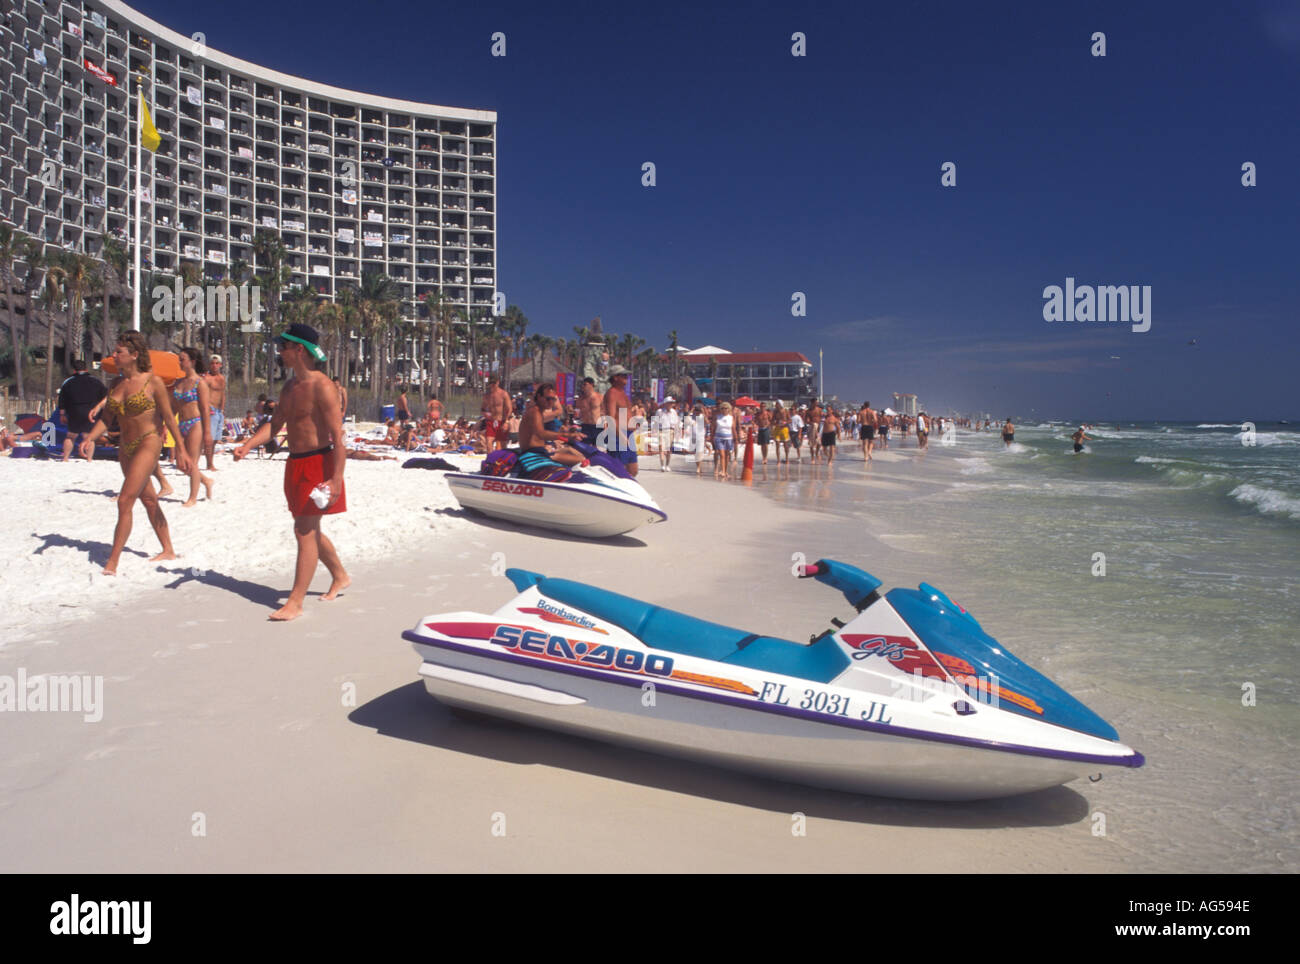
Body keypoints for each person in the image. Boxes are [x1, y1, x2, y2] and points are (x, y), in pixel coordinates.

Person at [233, 323, 349, 621]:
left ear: (299, 349)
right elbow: (274, 426)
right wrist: (247, 445)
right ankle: (339, 575)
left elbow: (338, 436)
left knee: (303, 530)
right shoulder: (289, 387)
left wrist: (336, 479)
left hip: (319, 463)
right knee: (307, 526)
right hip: (295, 464)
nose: (279, 352)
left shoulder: (323, 386)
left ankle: (295, 602)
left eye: (283, 346)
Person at [79, 332, 191, 575]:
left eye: (119, 352)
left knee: (124, 500)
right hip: (125, 448)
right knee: (148, 499)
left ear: (134, 355)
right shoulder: (115, 384)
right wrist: (90, 437)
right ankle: (168, 549)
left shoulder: (153, 382)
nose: (114, 355)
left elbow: (169, 417)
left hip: (148, 441)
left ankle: (113, 561)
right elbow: (107, 418)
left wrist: (181, 450)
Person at [172, 348, 216, 506]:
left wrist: (208, 433)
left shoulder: (200, 383)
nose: (179, 362)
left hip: (195, 423)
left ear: (192, 361)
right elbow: (174, 408)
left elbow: (205, 409)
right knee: (180, 464)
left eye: (182, 359)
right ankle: (206, 481)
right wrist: (165, 426)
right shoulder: (178, 382)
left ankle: (192, 498)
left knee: (192, 463)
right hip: (181, 424)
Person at [58, 358, 107, 462]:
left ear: (74, 370)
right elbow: (105, 397)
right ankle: (89, 459)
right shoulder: (96, 381)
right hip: (91, 411)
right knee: (89, 437)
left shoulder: (68, 382)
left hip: (74, 411)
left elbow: (62, 400)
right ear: (86, 369)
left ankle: (65, 458)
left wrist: (62, 414)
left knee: (70, 436)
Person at [599, 365, 639, 477]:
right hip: (618, 435)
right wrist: (621, 435)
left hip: (628, 434)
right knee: (619, 471)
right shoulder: (612, 393)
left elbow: (624, 413)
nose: (626, 377)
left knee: (633, 470)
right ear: (615, 377)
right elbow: (611, 418)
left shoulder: (622, 393)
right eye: (623, 375)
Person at [204, 354, 227, 470]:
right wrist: (206, 406)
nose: (214, 365)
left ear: (220, 365)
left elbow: (222, 394)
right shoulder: (206, 378)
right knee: (209, 439)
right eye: (212, 363)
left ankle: (210, 462)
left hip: (218, 411)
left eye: (217, 363)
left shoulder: (222, 378)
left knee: (214, 440)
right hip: (210, 410)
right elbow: (202, 394)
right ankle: (209, 464)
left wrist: (222, 410)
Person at [481, 374, 512, 452]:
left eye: (494, 383)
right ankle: (490, 458)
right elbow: (483, 408)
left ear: (498, 382)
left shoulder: (503, 394)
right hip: (491, 421)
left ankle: (504, 458)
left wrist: (506, 421)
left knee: (503, 444)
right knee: (489, 442)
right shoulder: (487, 396)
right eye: (491, 383)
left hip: (501, 421)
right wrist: (484, 413)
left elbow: (509, 408)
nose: (493, 385)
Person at [713, 401, 735, 480]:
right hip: (718, 437)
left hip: (728, 438)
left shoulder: (731, 417)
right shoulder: (717, 417)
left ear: (729, 409)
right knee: (722, 455)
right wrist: (711, 436)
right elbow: (713, 427)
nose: (724, 410)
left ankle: (725, 471)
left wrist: (736, 438)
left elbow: (733, 428)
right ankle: (722, 471)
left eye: (726, 408)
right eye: (722, 408)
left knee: (727, 455)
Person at [577, 376, 602, 444]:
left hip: (598, 426)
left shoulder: (599, 397)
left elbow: (605, 411)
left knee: (598, 448)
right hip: (586, 426)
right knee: (585, 447)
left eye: (585, 384)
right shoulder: (580, 399)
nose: (583, 386)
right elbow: (577, 412)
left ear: (592, 384)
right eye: (582, 385)